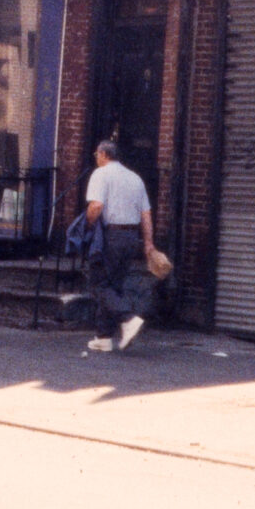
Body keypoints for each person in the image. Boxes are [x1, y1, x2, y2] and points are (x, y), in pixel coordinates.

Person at [81, 138, 154, 354]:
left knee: (99, 285)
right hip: (131, 237)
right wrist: (148, 242)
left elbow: (96, 206)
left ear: (104, 154)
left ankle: (128, 318)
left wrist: (86, 226)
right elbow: (146, 214)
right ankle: (103, 338)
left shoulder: (100, 174)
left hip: (111, 236)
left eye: (96, 155)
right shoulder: (135, 178)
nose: (96, 158)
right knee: (113, 285)